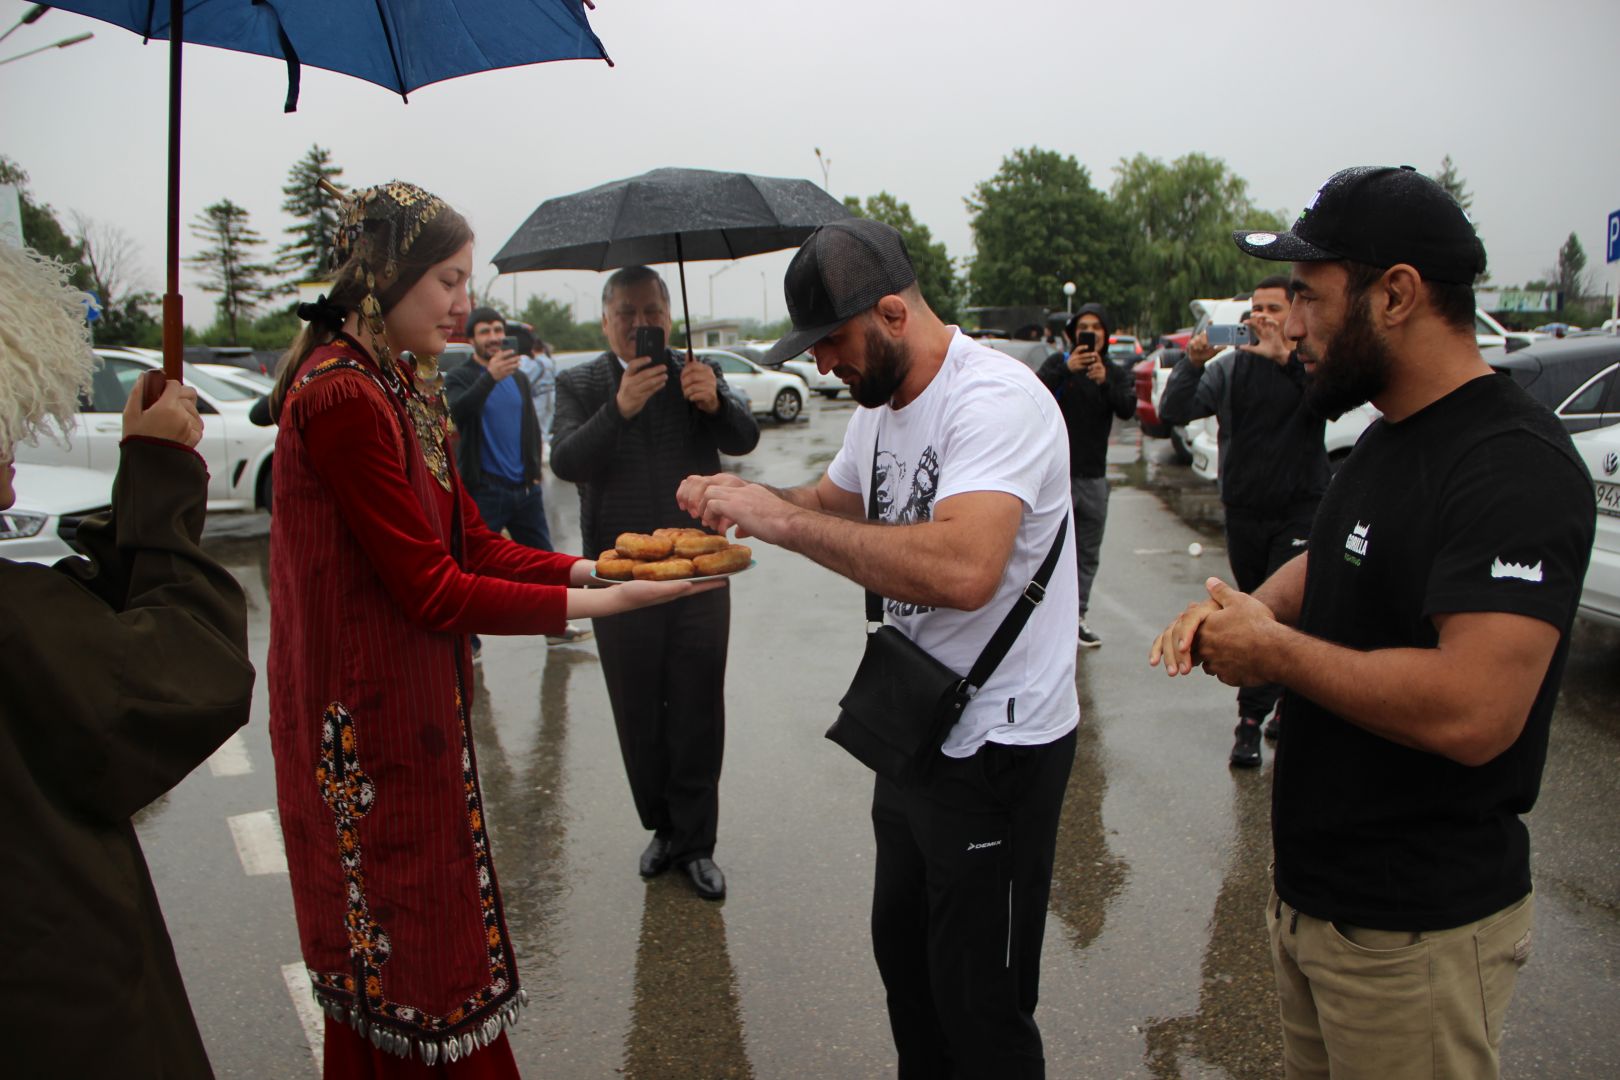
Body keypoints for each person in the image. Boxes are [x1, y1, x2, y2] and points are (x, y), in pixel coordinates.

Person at [1150, 165, 1595, 1080]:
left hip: (1416, 938)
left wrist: (1275, 653)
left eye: (1309, 297)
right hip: (1320, 912)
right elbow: (1336, 559)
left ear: (1396, 294)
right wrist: (1245, 607)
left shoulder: (1511, 464)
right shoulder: (1387, 434)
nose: (1291, 322)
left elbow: (1475, 710)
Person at [266, 182, 720, 1076]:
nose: (464, 302)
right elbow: (436, 590)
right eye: (445, 278)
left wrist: (601, 568)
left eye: (466, 279)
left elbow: (471, 540)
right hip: (361, 727)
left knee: (440, 943)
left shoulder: (404, 385)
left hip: (415, 710)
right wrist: (605, 604)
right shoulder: (343, 397)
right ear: (384, 275)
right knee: (404, 963)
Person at [678, 219, 1078, 1078]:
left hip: (997, 748)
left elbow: (967, 567)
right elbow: (832, 499)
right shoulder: (883, 407)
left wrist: (784, 522)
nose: (823, 364)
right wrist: (749, 496)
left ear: (892, 312)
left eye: (832, 342)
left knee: (981, 1005)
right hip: (915, 727)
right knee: (908, 969)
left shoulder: (995, 401)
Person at [0, 241, 255, 1077]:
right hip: (58, 1002)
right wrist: (163, 476)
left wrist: (143, 481)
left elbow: (75, 626)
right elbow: (177, 674)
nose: (11, 470)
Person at [551, 265, 760, 902]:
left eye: (653, 312)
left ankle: (698, 843)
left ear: (670, 315)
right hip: (617, 577)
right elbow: (567, 462)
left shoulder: (697, 373)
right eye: (628, 314)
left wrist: (716, 400)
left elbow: (743, 438)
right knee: (637, 709)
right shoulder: (581, 382)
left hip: (699, 569)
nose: (642, 325)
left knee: (698, 707)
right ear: (606, 320)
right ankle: (662, 827)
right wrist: (619, 410)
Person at [1158, 276, 1327, 765]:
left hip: (1299, 508)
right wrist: (1192, 364)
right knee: (1251, 605)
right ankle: (1270, 707)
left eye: (1274, 308)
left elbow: (1330, 405)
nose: (1263, 319)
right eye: (1255, 310)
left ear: (1295, 314)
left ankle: (1252, 722)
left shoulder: (1309, 366)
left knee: (1276, 614)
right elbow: (1175, 409)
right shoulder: (1229, 368)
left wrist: (1283, 359)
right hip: (1244, 511)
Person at [447, 309, 590, 652]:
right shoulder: (461, 377)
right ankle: (467, 639)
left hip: (525, 489)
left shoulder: (520, 378)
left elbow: (529, 426)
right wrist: (489, 378)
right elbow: (456, 415)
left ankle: (555, 625)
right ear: (471, 340)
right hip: (485, 490)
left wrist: (534, 473)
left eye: (498, 329)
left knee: (544, 561)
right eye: (485, 331)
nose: (494, 337)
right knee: (468, 565)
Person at [1037, 302, 1136, 648]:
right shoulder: (1058, 364)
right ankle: (1043, 620)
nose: (1089, 332)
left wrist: (1106, 383)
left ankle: (1077, 617)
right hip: (1054, 478)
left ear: (1107, 334)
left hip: (1094, 477)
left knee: (1086, 553)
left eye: (1096, 326)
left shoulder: (1113, 372)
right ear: (1072, 333)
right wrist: (1067, 370)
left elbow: (1127, 408)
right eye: (1083, 327)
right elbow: (1034, 396)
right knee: (1045, 551)